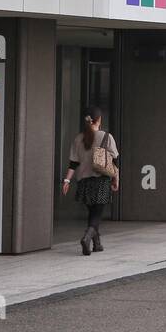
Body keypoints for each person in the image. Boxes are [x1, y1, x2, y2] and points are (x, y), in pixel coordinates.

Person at [62, 108, 119, 255]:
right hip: (101, 180)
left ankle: (97, 244)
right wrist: (115, 179)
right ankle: (87, 237)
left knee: (93, 212)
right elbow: (114, 161)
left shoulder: (78, 138)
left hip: (84, 183)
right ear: (99, 120)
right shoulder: (106, 136)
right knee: (97, 214)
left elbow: (73, 163)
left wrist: (67, 180)